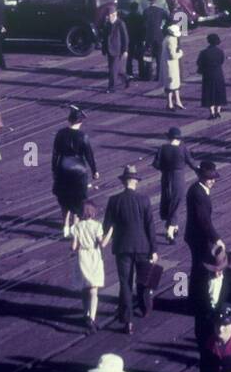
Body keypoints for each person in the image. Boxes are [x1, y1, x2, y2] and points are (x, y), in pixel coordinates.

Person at [101, 165, 158, 335]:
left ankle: (127, 321)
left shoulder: (113, 200)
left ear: (123, 182)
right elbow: (150, 226)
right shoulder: (144, 200)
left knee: (125, 284)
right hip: (142, 246)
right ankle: (145, 307)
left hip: (122, 247)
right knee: (144, 279)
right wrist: (154, 249)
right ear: (135, 182)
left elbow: (107, 226)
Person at [51, 106, 99, 237]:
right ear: (80, 122)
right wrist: (95, 171)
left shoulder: (60, 134)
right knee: (79, 199)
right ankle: (75, 225)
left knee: (64, 198)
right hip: (79, 170)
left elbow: (55, 154)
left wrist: (54, 171)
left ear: (69, 120)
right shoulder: (83, 136)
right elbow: (89, 155)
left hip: (63, 168)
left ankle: (65, 225)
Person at [190, 241, 231, 347]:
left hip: (227, 329)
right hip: (204, 328)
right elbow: (193, 299)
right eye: (213, 269)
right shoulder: (198, 276)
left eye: (220, 269)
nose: (216, 272)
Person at [152, 126, 197, 242]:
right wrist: (199, 170)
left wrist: (164, 168)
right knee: (177, 201)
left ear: (169, 137)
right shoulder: (182, 148)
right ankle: (170, 231)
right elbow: (192, 163)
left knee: (168, 200)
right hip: (178, 177)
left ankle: (173, 226)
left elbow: (156, 164)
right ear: (179, 138)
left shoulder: (162, 148)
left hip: (166, 177)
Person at [71, 200, 105, 333]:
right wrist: (110, 233)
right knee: (94, 289)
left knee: (84, 288)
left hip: (82, 256)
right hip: (93, 256)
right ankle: (92, 317)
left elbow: (73, 247)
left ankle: (85, 314)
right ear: (93, 212)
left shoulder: (78, 226)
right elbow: (102, 243)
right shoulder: (97, 226)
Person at [185, 160, 220, 277]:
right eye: (209, 178)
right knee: (201, 266)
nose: (212, 181)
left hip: (198, 235)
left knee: (199, 266)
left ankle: (196, 292)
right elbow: (203, 219)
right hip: (198, 237)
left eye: (213, 178)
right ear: (201, 176)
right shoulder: (198, 193)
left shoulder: (198, 189)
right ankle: (196, 293)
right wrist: (216, 239)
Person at [196, 33, 227, 119]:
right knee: (218, 93)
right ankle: (218, 111)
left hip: (208, 74)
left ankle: (212, 112)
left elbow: (199, 63)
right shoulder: (220, 52)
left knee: (209, 94)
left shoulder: (204, 52)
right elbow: (221, 61)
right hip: (218, 74)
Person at [100, 5, 129, 93]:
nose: (109, 17)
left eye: (111, 15)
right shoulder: (107, 24)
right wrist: (104, 49)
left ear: (115, 14)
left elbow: (125, 38)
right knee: (117, 69)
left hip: (118, 50)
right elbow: (104, 38)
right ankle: (126, 79)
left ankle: (112, 87)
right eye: (108, 16)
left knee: (113, 69)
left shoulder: (120, 23)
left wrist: (125, 50)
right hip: (109, 50)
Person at [158, 23, 185, 111]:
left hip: (167, 65)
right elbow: (173, 55)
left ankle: (174, 102)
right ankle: (173, 103)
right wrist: (180, 53)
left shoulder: (166, 38)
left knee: (171, 85)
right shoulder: (172, 40)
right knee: (172, 85)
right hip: (171, 66)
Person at [143, 0, 169, 77]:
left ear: (149, 1)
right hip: (159, 35)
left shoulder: (146, 11)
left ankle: (148, 74)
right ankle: (159, 75)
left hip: (148, 36)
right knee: (159, 56)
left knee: (148, 56)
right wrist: (164, 28)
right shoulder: (161, 11)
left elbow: (143, 24)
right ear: (156, 1)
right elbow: (169, 18)